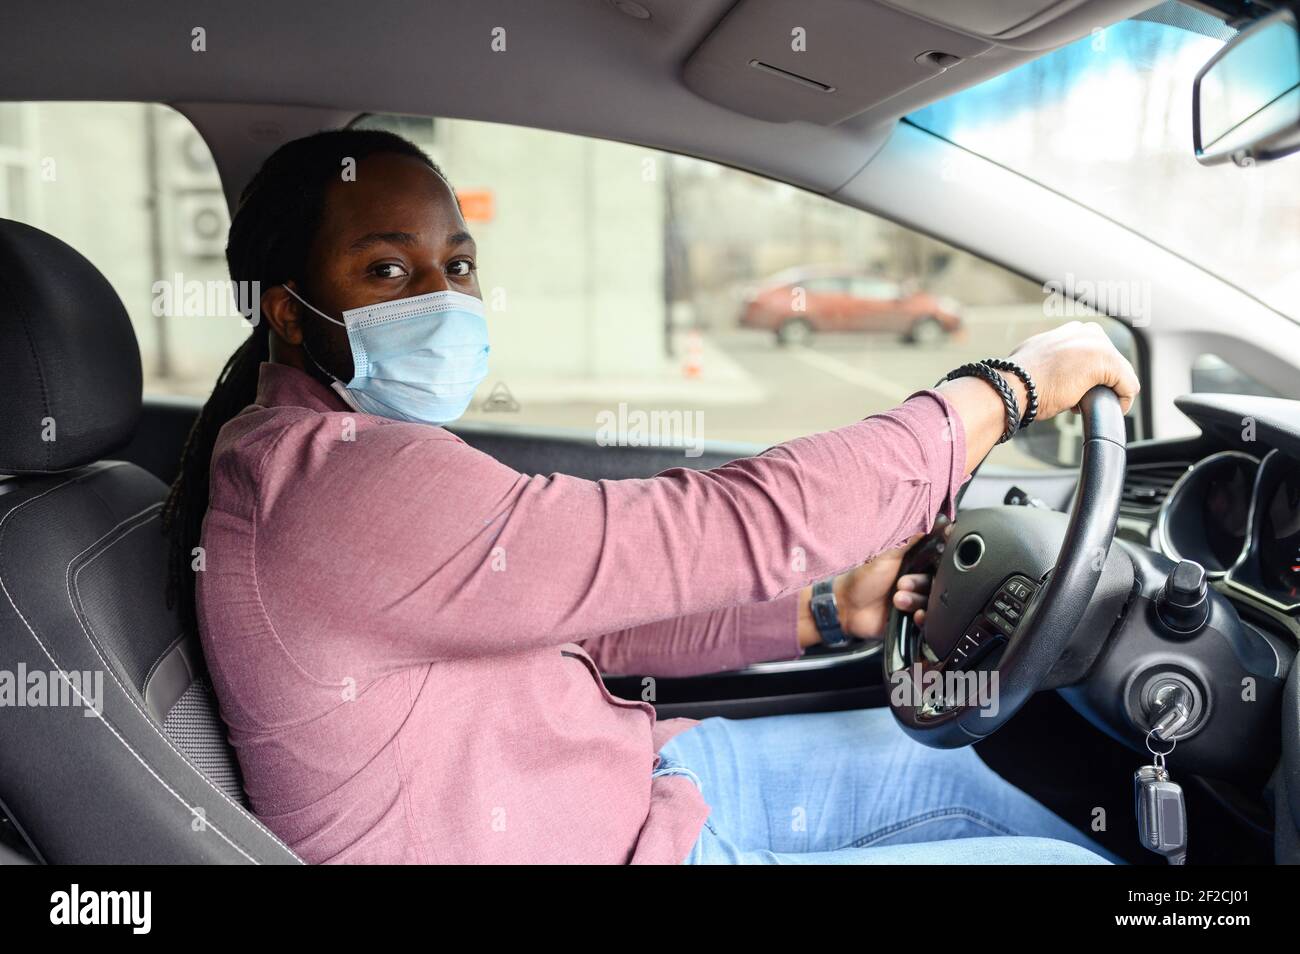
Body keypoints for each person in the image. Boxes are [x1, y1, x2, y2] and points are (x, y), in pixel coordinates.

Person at [162, 129, 1139, 864]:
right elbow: (718, 527)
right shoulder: (335, 486)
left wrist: (823, 609)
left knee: (949, 768)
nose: (442, 297)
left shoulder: (344, 453)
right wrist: (1002, 392)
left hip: (650, 787)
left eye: (455, 265)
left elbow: (589, 621)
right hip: (624, 849)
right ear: (289, 312)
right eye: (387, 270)